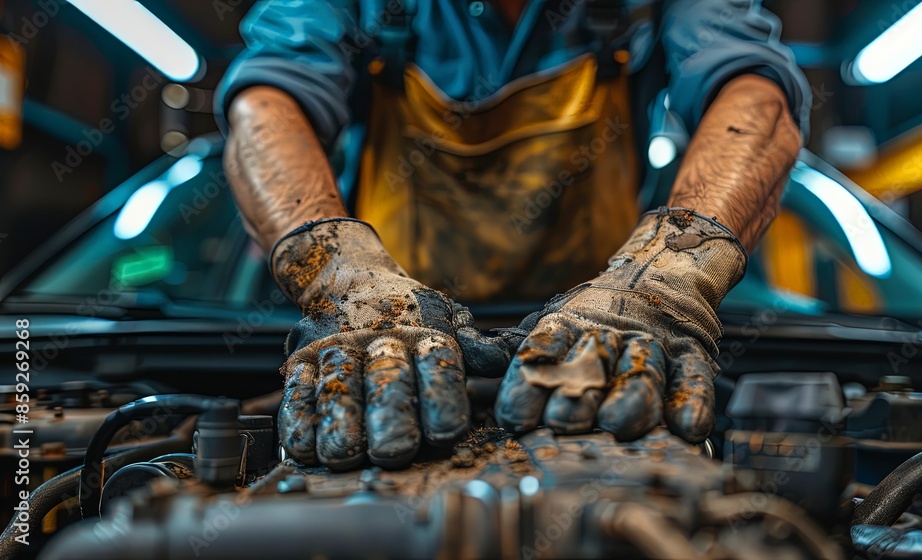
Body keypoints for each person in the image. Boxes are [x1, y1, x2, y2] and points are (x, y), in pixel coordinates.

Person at [216, 0, 810, 470]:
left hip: (607, 347)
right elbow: (267, 103)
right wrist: (343, 282)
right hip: (378, 327)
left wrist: (664, 282)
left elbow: (754, 92)